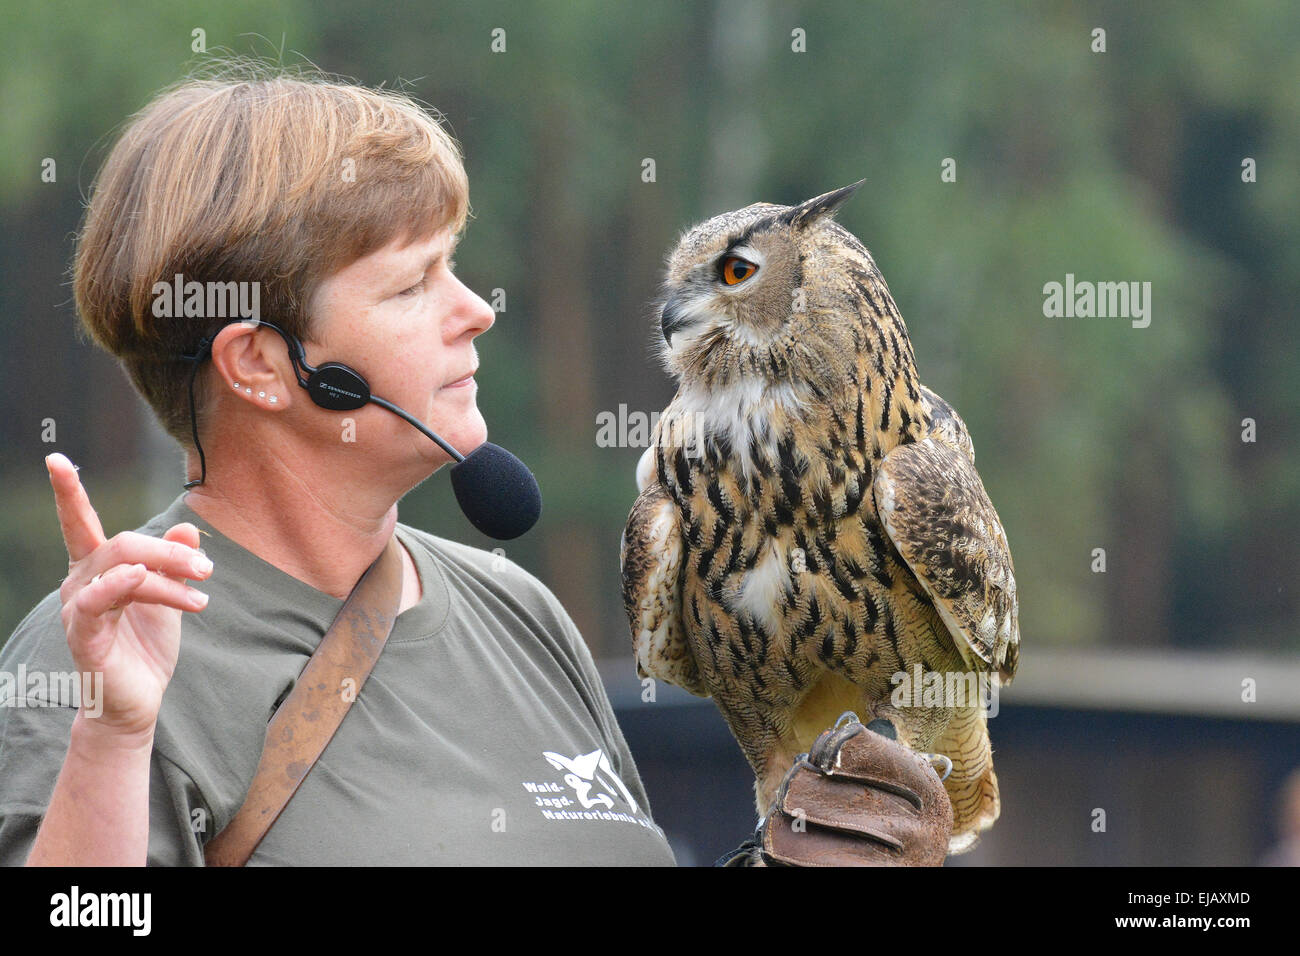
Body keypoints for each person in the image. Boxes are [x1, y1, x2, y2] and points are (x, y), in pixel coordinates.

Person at [0, 65, 951, 866]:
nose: (476, 309)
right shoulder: (105, 661)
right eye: (413, 283)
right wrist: (112, 744)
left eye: (454, 264)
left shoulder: (516, 612)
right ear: (260, 364)